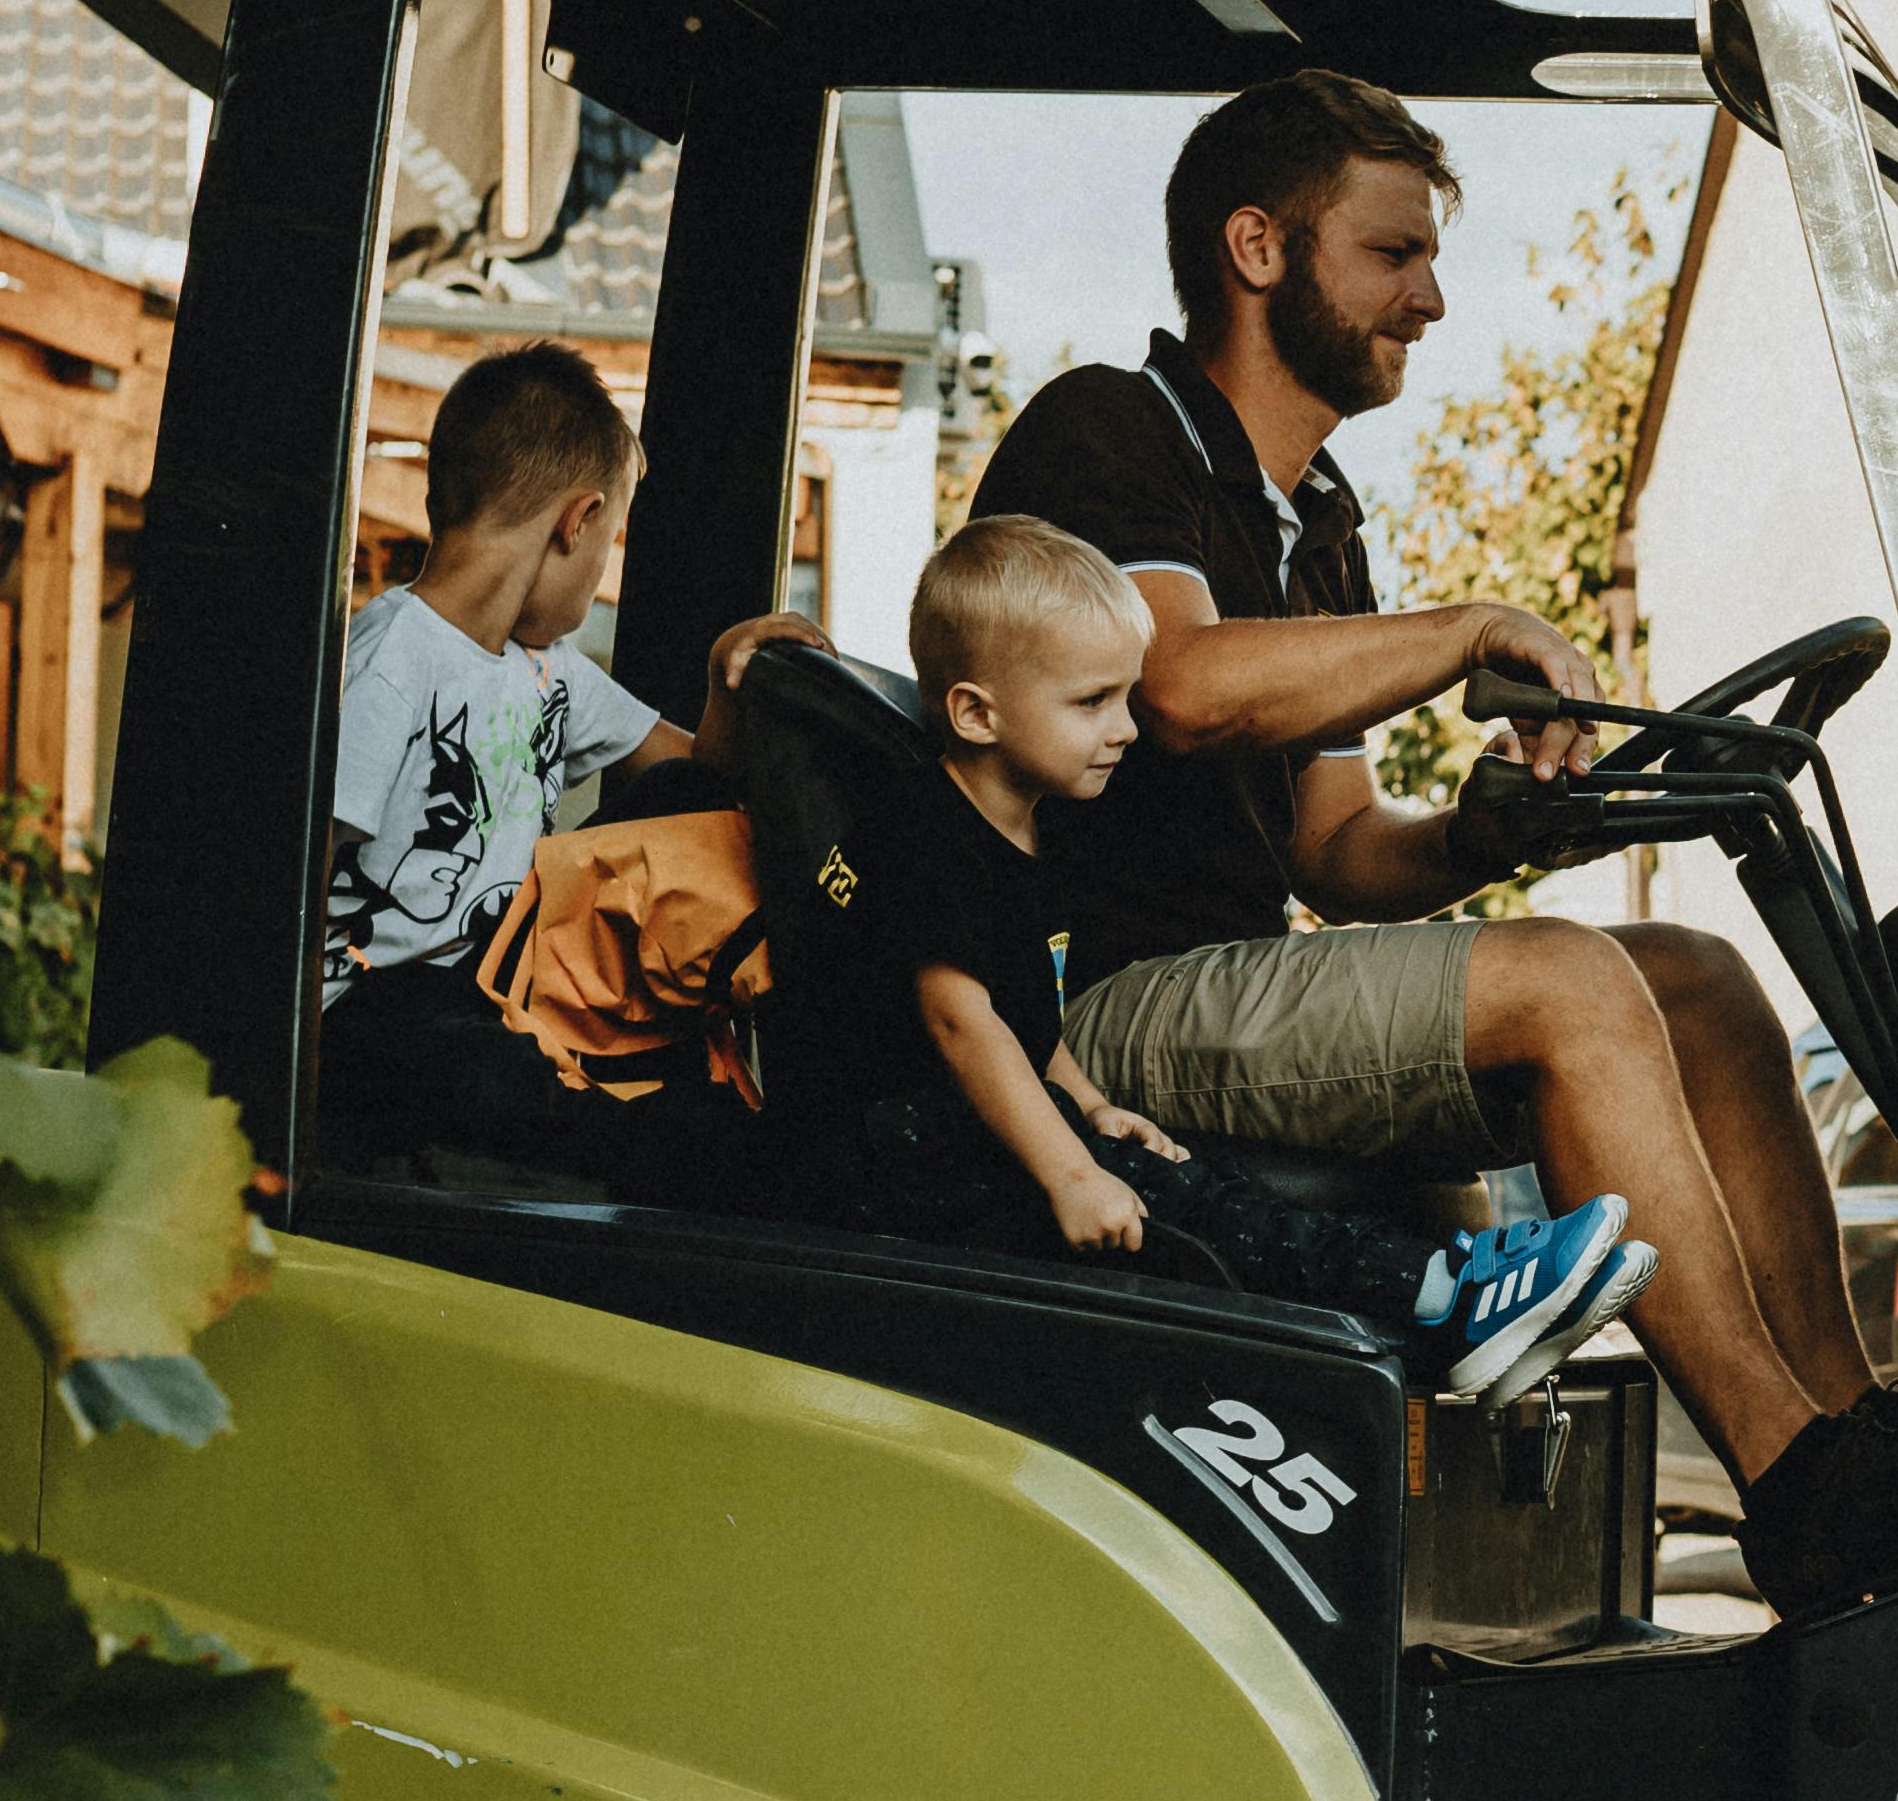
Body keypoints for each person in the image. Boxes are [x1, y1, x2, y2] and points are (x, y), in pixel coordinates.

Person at [968, 69, 1898, 1608]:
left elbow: (1337, 849)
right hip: (1103, 1011)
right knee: (1569, 986)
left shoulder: (1318, 515)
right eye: (1394, 255)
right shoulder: (1117, 431)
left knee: (1702, 977)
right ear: (1259, 247)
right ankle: (1794, 1481)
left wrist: (1499, 827)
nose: (1433, 299)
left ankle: (1853, 1427)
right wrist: (1465, 631)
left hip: (1245, 971)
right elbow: (1175, 684)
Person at [745, 515, 1651, 1399]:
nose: (1126, 729)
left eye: (1124, 697)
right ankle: (1447, 1297)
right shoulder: (926, 835)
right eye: (1092, 703)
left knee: (1185, 1171)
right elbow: (962, 1019)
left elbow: (1024, 1015)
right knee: (1185, 1211)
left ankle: (1446, 1301)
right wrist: (1071, 1169)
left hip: (956, 1136)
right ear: (977, 714)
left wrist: (1096, 1109)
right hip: (883, 1164)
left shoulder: (1032, 834)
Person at [316, 342, 801, 1168]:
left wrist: (727, 678)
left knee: (678, 796)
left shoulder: (547, 669)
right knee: (525, 1088)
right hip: (378, 1013)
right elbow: (298, 866)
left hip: (501, 992)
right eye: (608, 541)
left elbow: (692, 780)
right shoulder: (394, 657)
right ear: (577, 523)